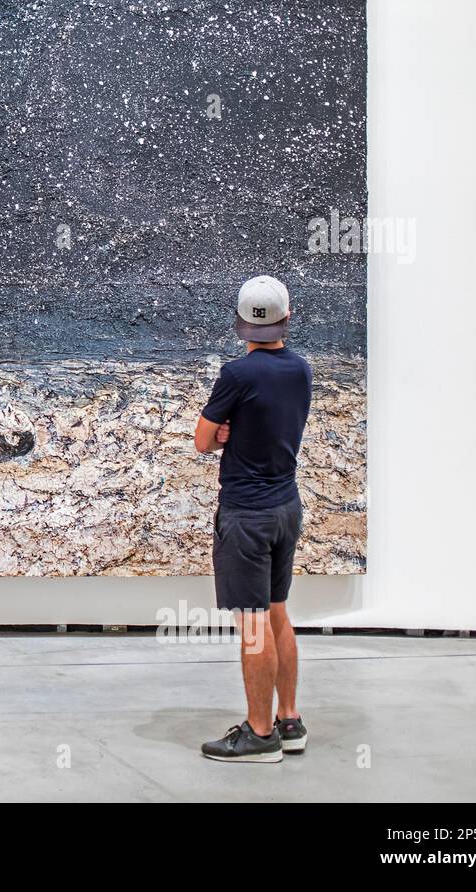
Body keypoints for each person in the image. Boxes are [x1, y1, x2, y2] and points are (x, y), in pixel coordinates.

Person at [193, 275, 312, 763]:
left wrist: (222, 433)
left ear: (242, 325)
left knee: (255, 624)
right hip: (287, 507)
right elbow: (269, 423)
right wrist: (233, 430)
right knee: (278, 611)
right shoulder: (302, 370)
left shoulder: (236, 375)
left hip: (247, 515)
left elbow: (202, 441)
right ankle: (289, 721)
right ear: (286, 318)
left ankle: (259, 735)